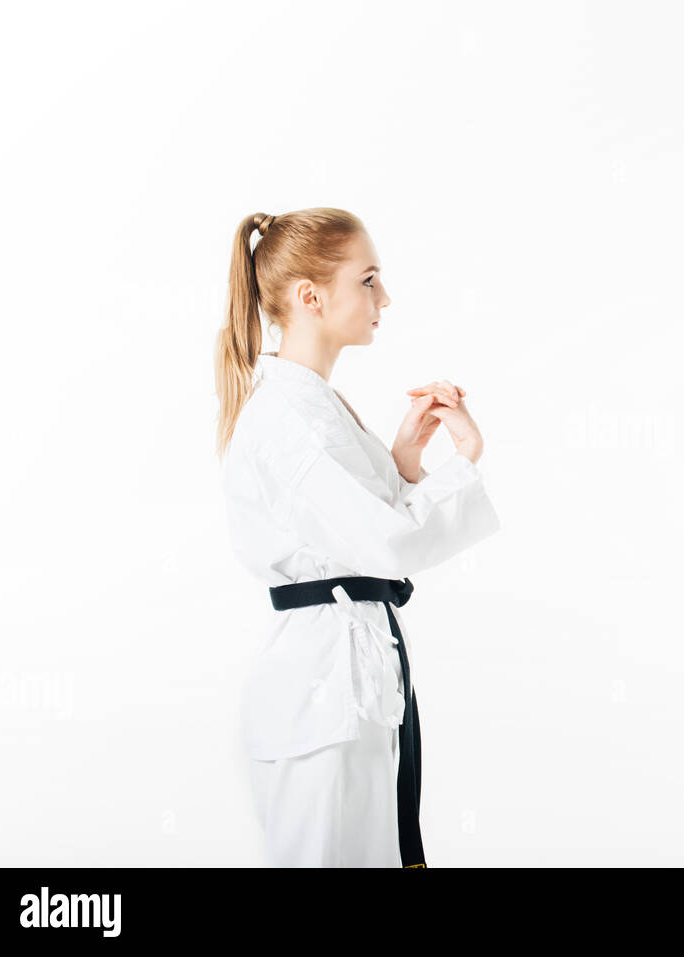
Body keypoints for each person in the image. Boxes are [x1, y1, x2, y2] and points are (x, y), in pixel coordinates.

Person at [215, 207, 500, 867]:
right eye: (368, 279)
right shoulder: (290, 418)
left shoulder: (314, 404)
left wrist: (402, 457)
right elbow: (388, 541)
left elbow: (365, 525)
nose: (385, 297)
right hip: (322, 692)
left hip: (344, 681)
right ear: (309, 297)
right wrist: (465, 458)